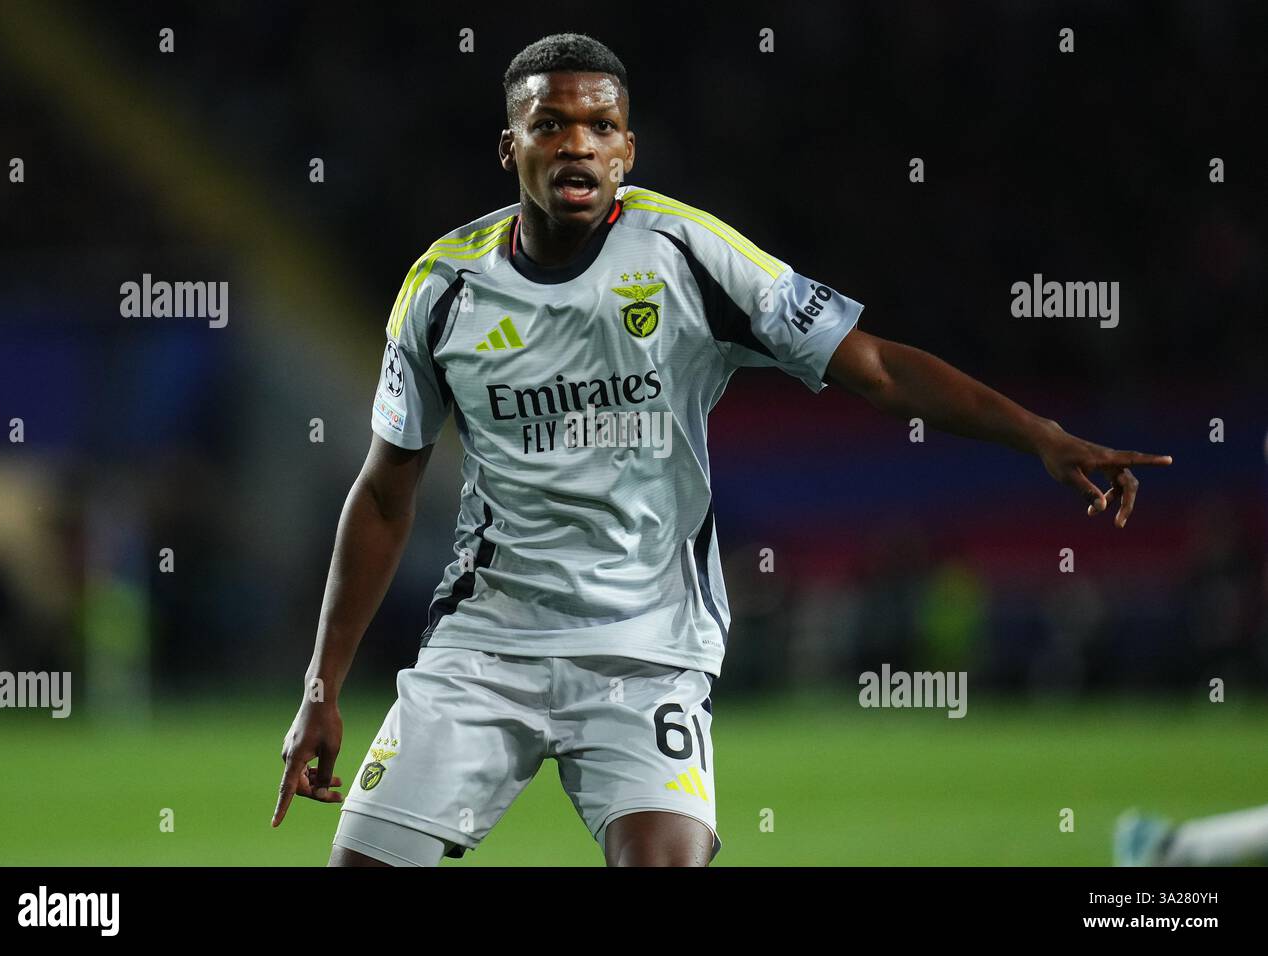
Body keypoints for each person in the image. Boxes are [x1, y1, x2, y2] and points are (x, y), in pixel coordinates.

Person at [273, 33, 1172, 867]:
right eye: (551, 124)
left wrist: (1040, 437)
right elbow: (387, 494)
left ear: (628, 151)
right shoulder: (442, 291)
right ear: (510, 147)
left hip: (649, 649)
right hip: (485, 647)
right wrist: (322, 686)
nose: (578, 144)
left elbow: (879, 371)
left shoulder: (688, 253)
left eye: (602, 126)